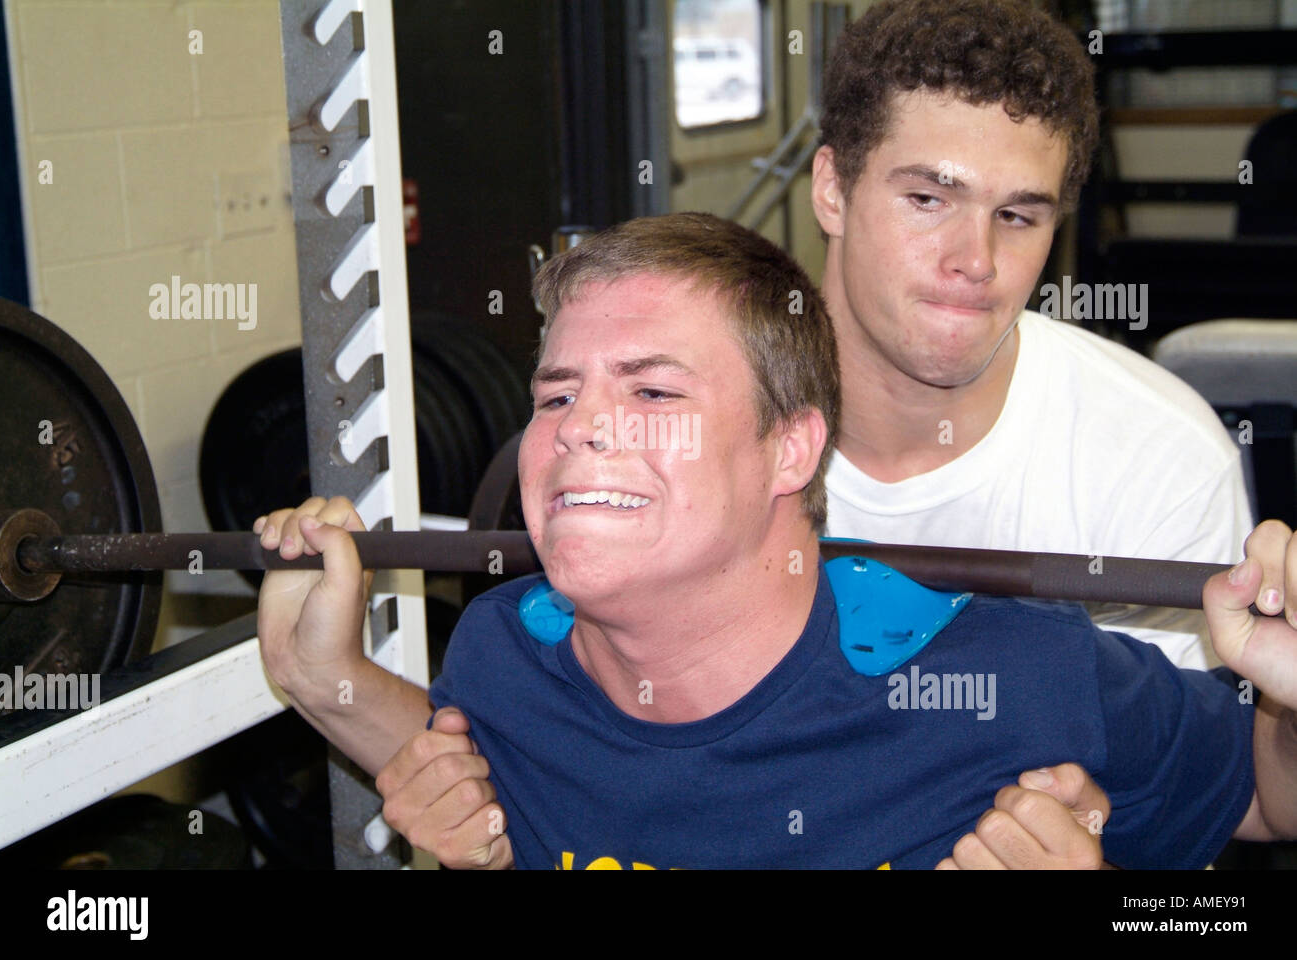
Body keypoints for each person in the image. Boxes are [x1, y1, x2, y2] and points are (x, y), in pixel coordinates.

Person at [256, 213, 1297, 870]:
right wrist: (324, 679)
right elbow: (484, 784)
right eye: (557, 392)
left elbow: (1266, 805)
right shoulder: (499, 659)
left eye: (652, 389)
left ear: (790, 449)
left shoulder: (1015, 678)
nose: (579, 426)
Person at [811, 0, 1253, 670]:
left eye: (1017, 215)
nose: (977, 259)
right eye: (928, 200)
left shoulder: (1161, 460)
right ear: (831, 190)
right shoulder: (693, 430)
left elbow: (1196, 763)